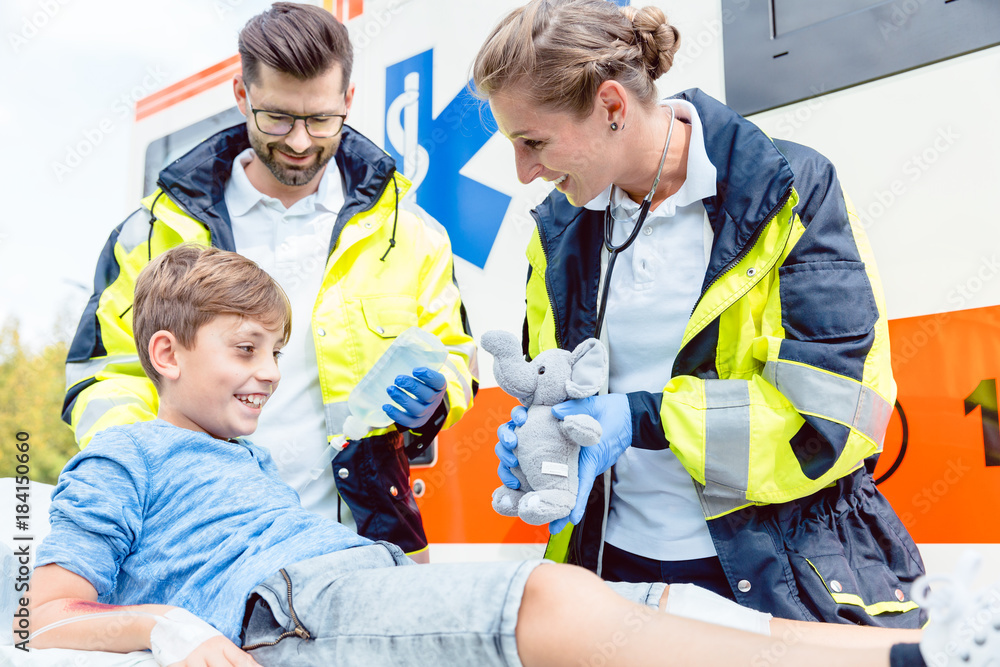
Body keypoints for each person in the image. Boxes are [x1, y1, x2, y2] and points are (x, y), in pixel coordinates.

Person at [23, 245, 992, 667]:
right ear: (165, 353)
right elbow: (46, 616)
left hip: (337, 584)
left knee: (661, 608)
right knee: (551, 599)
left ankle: (931, 648)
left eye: (276, 352)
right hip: (281, 606)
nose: (270, 375)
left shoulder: (253, 465)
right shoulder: (122, 457)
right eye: (246, 351)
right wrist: (161, 629)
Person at [473, 0, 924, 626]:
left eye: (534, 142)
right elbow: (563, 391)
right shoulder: (557, 230)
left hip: (770, 577)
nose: (524, 173)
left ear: (611, 107)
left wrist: (639, 419)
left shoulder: (791, 191)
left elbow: (830, 415)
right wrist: (544, 447)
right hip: (612, 572)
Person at [61, 2, 476, 562]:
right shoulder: (156, 232)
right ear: (241, 96)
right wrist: (155, 473)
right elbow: (103, 374)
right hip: (199, 541)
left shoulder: (411, 231)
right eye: (277, 118)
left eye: (321, 120)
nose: (300, 143)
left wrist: (435, 403)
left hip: (372, 544)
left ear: (348, 102)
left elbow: (455, 357)